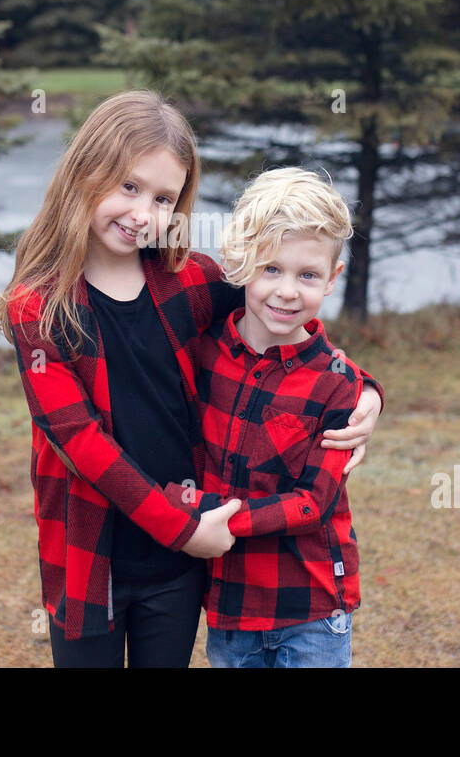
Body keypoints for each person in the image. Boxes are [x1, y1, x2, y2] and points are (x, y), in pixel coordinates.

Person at [0, 90, 384, 668]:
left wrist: (365, 390)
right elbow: (81, 443)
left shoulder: (192, 280)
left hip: (178, 567)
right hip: (90, 555)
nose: (144, 214)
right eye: (129, 187)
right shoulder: (39, 308)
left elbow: (279, 321)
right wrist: (181, 528)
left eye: (165, 198)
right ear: (84, 172)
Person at [171, 167, 369, 667]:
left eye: (308, 275)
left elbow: (312, 504)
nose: (286, 291)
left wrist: (214, 517)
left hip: (311, 608)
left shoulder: (337, 382)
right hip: (230, 607)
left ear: (332, 278)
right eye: (270, 269)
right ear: (240, 263)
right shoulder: (208, 349)